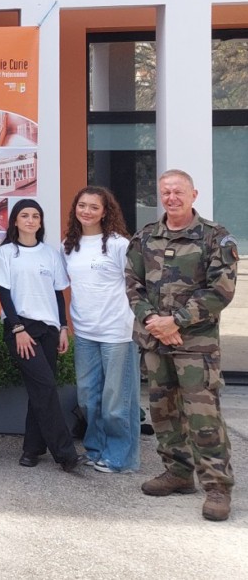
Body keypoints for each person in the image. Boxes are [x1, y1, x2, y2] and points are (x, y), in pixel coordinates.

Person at [127, 169, 237, 522]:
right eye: (165, 192)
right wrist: (152, 322)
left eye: (178, 192)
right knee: (164, 412)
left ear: (194, 194)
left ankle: (218, 486)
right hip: (156, 342)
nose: (171, 198)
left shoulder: (214, 238)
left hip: (196, 345)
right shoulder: (145, 238)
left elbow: (221, 290)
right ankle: (177, 473)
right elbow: (133, 284)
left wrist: (176, 320)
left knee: (203, 416)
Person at [0, 198, 80, 472]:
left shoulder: (50, 254)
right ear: (15, 221)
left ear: (40, 222)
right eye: (24, 215)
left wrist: (64, 327)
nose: (30, 220)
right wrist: (17, 328)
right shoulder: (6, 253)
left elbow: (58, 295)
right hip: (21, 328)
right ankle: (66, 453)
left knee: (40, 389)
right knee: (44, 386)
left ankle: (32, 449)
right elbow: (3, 293)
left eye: (35, 216)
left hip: (49, 330)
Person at [61, 185, 138, 474]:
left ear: (106, 212)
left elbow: (135, 286)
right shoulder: (68, 244)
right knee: (87, 397)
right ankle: (95, 450)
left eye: (94, 207)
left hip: (117, 331)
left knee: (116, 400)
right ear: (75, 209)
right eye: (82, 205)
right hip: (84, 331)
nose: (87, 211)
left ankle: (121, 457)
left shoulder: (119, 245)